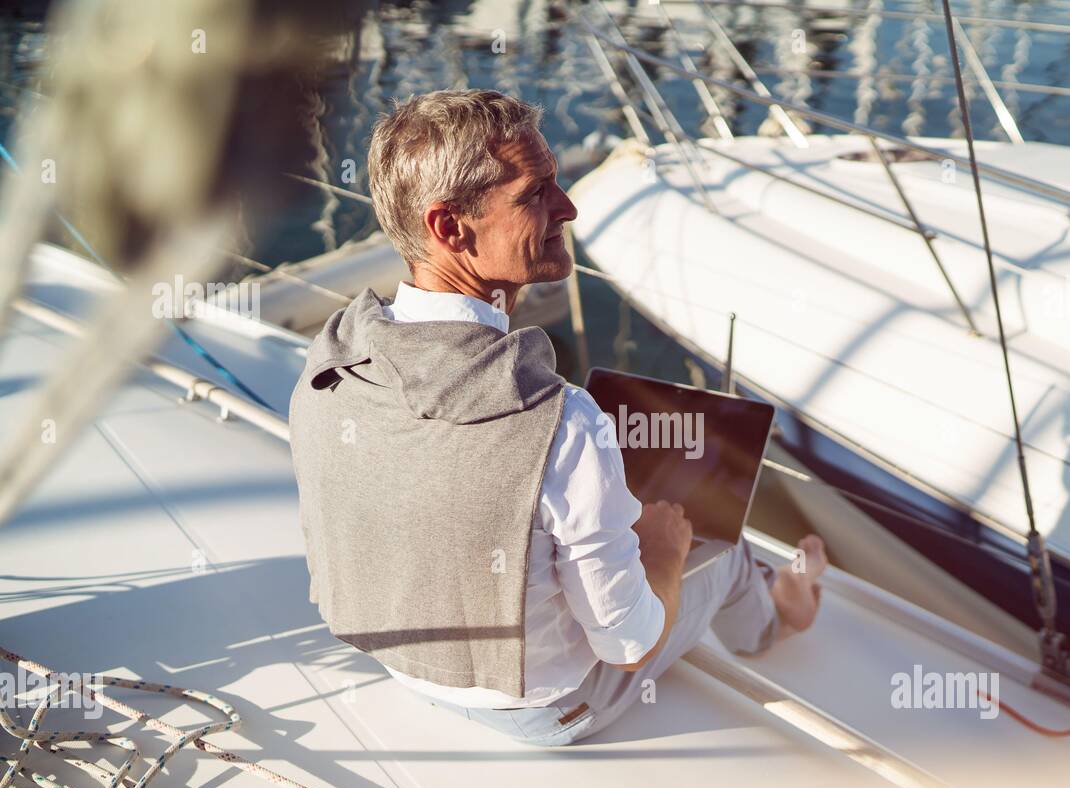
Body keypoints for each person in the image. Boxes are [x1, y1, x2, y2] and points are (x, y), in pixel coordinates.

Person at [289, 89, 827, 747]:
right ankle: (780, 615)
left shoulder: (334, 364)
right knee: (719, 543)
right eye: (536, 193)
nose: (568, 208)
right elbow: (627, 644)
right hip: (547, 710)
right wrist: (664, 550)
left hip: (399, 669)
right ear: (450, 228)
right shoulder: (561, 421)